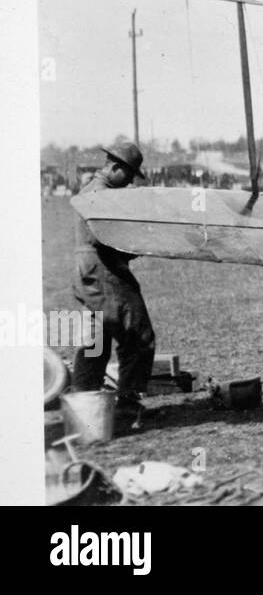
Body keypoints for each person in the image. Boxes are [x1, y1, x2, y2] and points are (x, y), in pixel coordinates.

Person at [71, 142, 156, 422]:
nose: (131, 181)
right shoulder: (101, 196)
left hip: (91, 272)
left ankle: (83, 408)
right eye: (130, 174)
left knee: (98, 341)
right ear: (116, 167)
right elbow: (104, 238)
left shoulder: (95, 192)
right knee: (138, 338)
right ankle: (127, 407)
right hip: (105, 272)